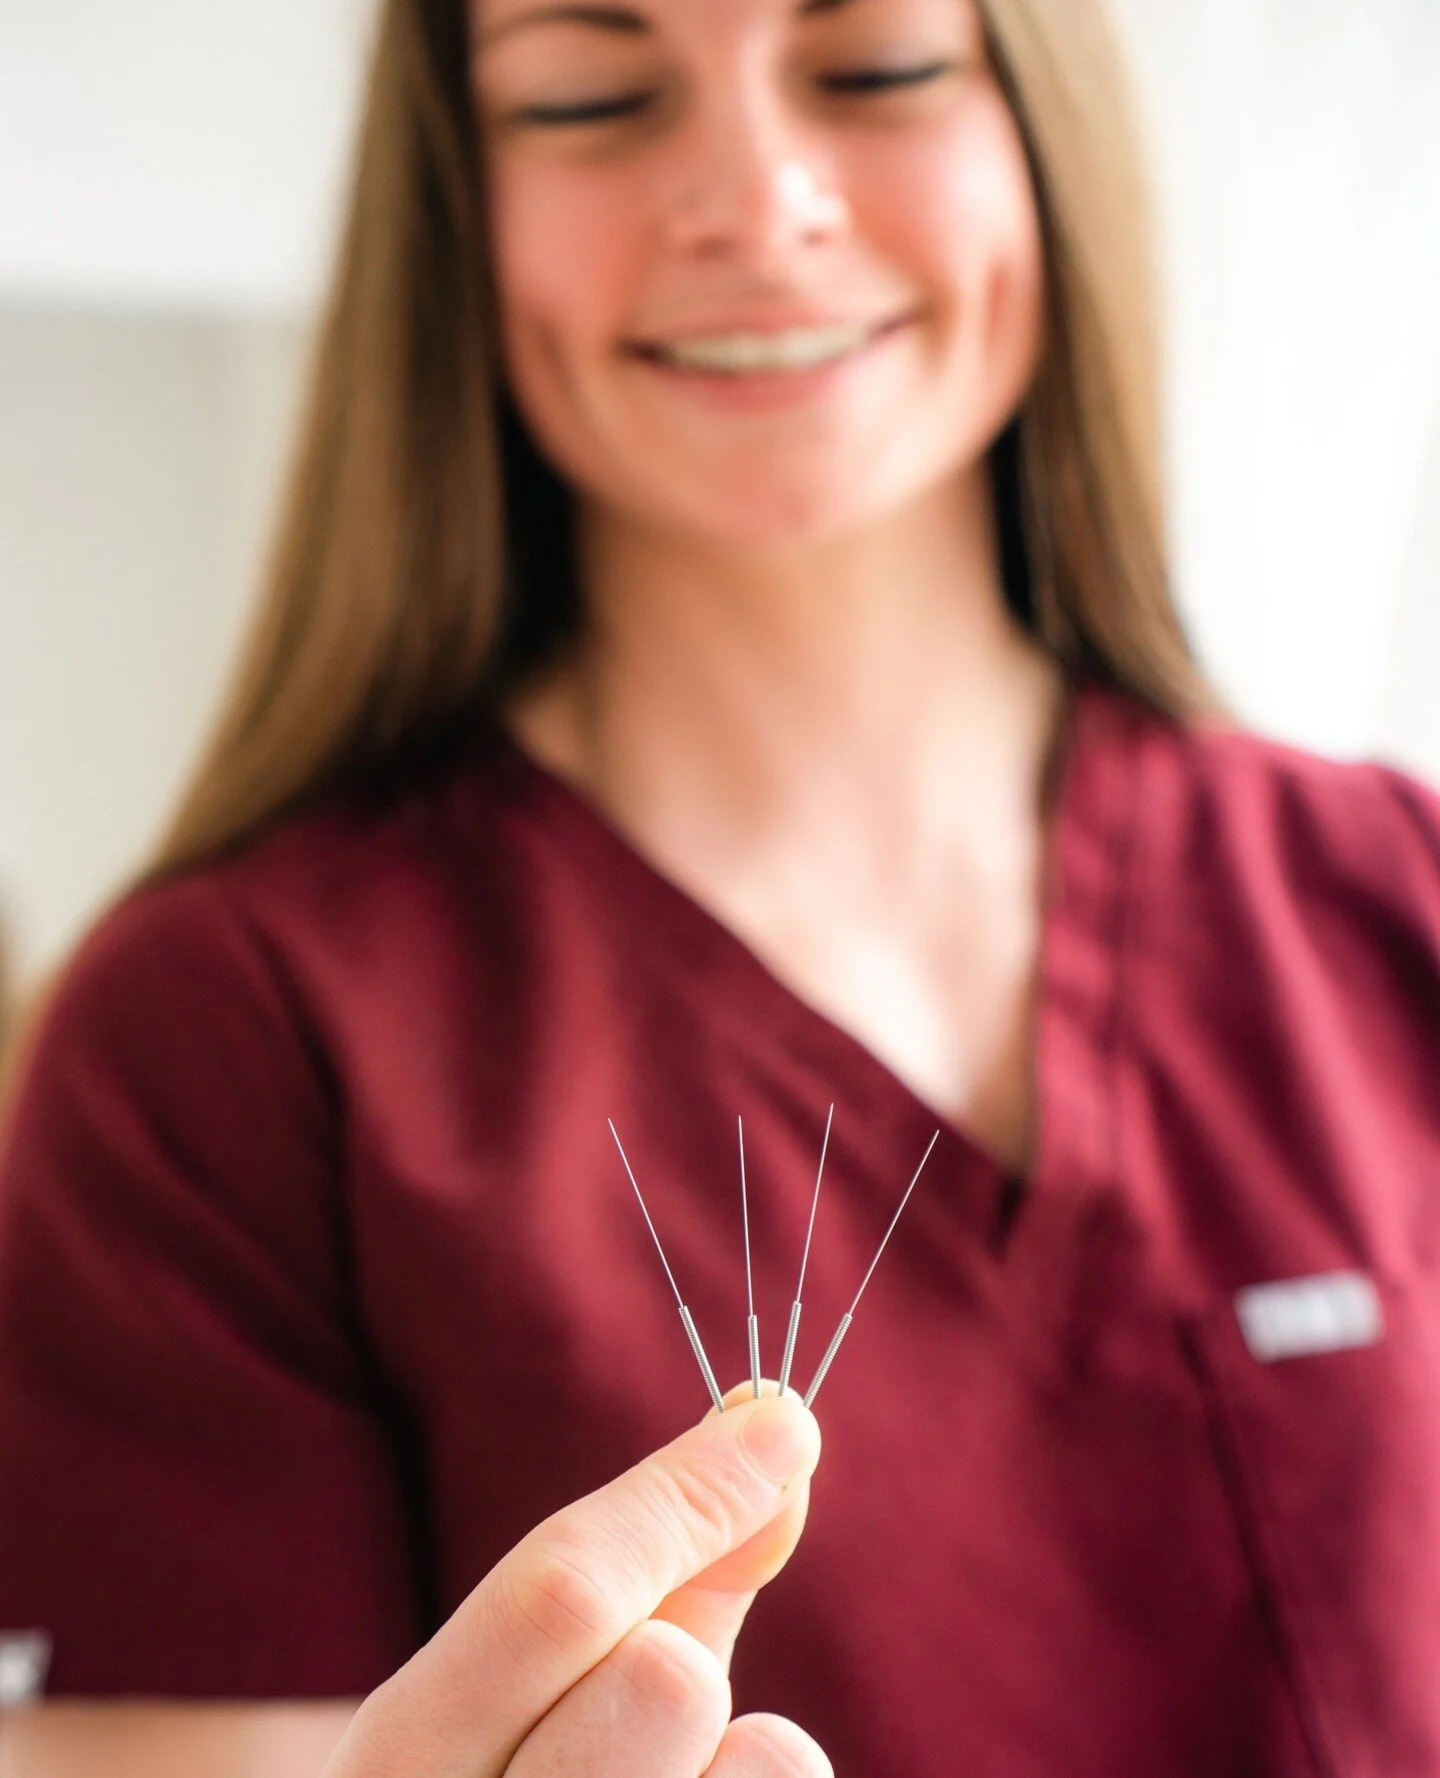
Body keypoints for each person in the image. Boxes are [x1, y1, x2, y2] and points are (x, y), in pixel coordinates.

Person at [2, 0, 1439, 1770]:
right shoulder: (229, 1037)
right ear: (459, 202)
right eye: (595, 98)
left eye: (881, 67)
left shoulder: (1394, 895)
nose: (758, 203)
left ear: (1044, 136)